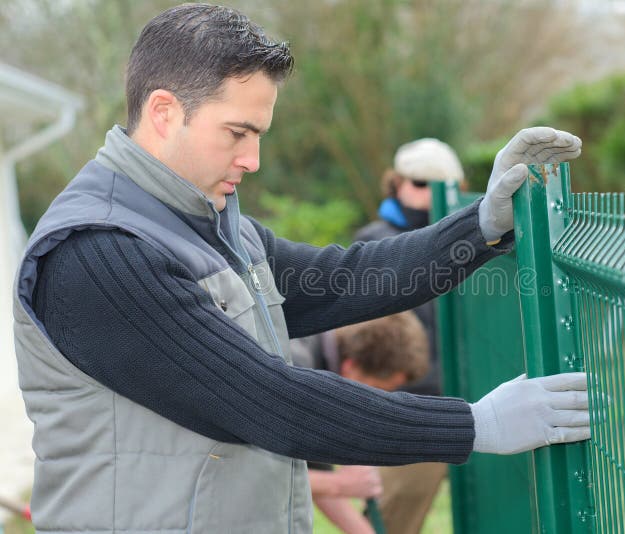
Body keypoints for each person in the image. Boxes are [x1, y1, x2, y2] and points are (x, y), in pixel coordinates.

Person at [12, 4, 588, 534]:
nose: (252, 160)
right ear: (164, 112)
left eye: (258, 136)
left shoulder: (218, 226)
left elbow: (344, 280)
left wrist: (482, 224)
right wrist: (474, 426)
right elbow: (270, 402)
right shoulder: (97, 253)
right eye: (237, 133)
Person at [354, 138, 464, 533]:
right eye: (419, 183)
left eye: (440, 187)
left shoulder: (467, 244)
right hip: (407, 409)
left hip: (467, 400)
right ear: (396, 183)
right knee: (392, 522)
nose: (426, 196)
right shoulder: (374, 243)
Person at [291, 311, 431, 534]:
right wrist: (341, 484)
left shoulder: (321, 364)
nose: (375, 405)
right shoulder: (294, 369)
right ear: (352, 368)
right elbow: (261, 472)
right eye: (378, 391)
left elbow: (308, 470)